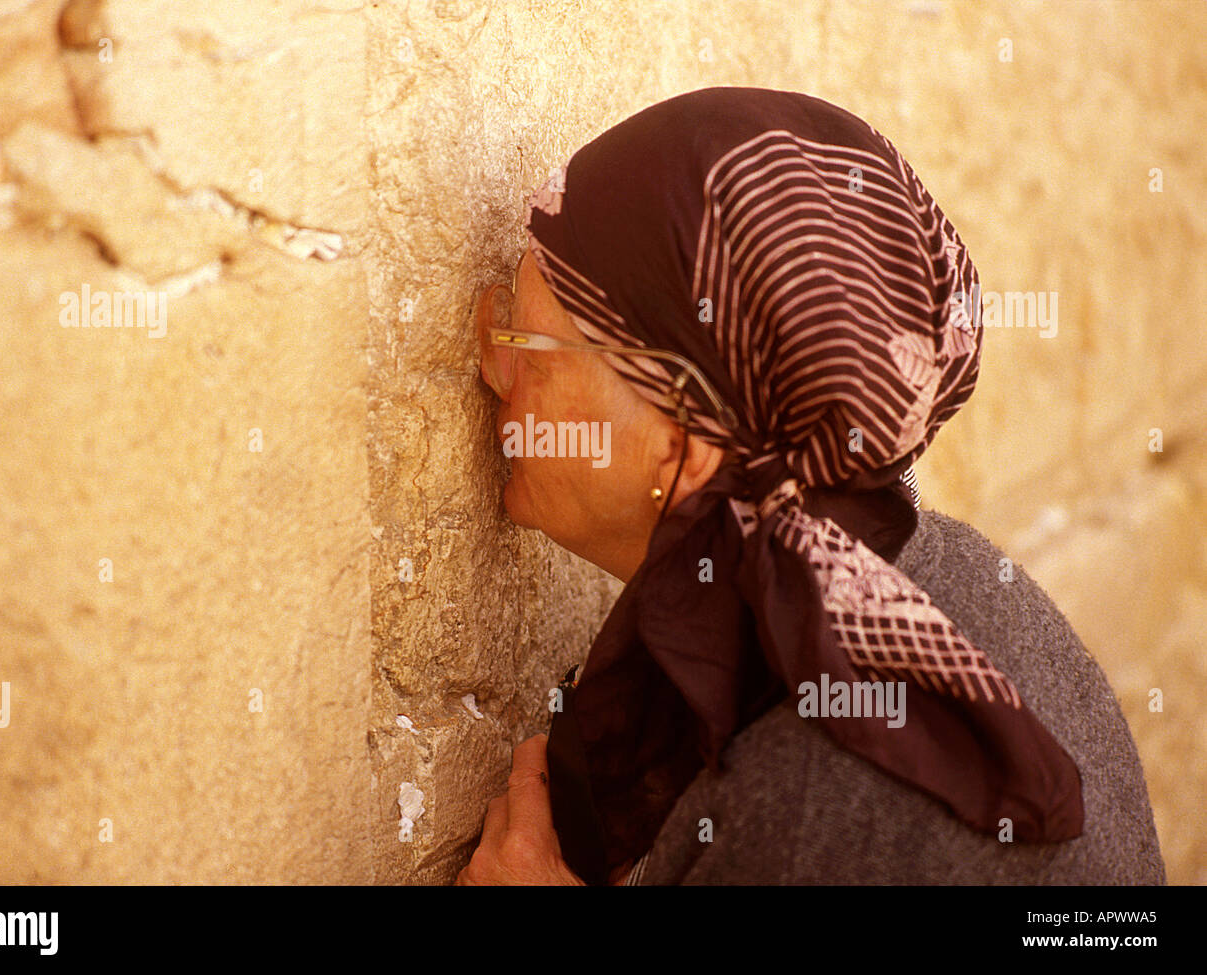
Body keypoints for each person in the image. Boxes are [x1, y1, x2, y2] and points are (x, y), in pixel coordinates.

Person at [456, 87, 1165, 886]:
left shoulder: (810, 805)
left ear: (684, 441)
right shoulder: (937, 571)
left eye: (526, 341)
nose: (494, 370)